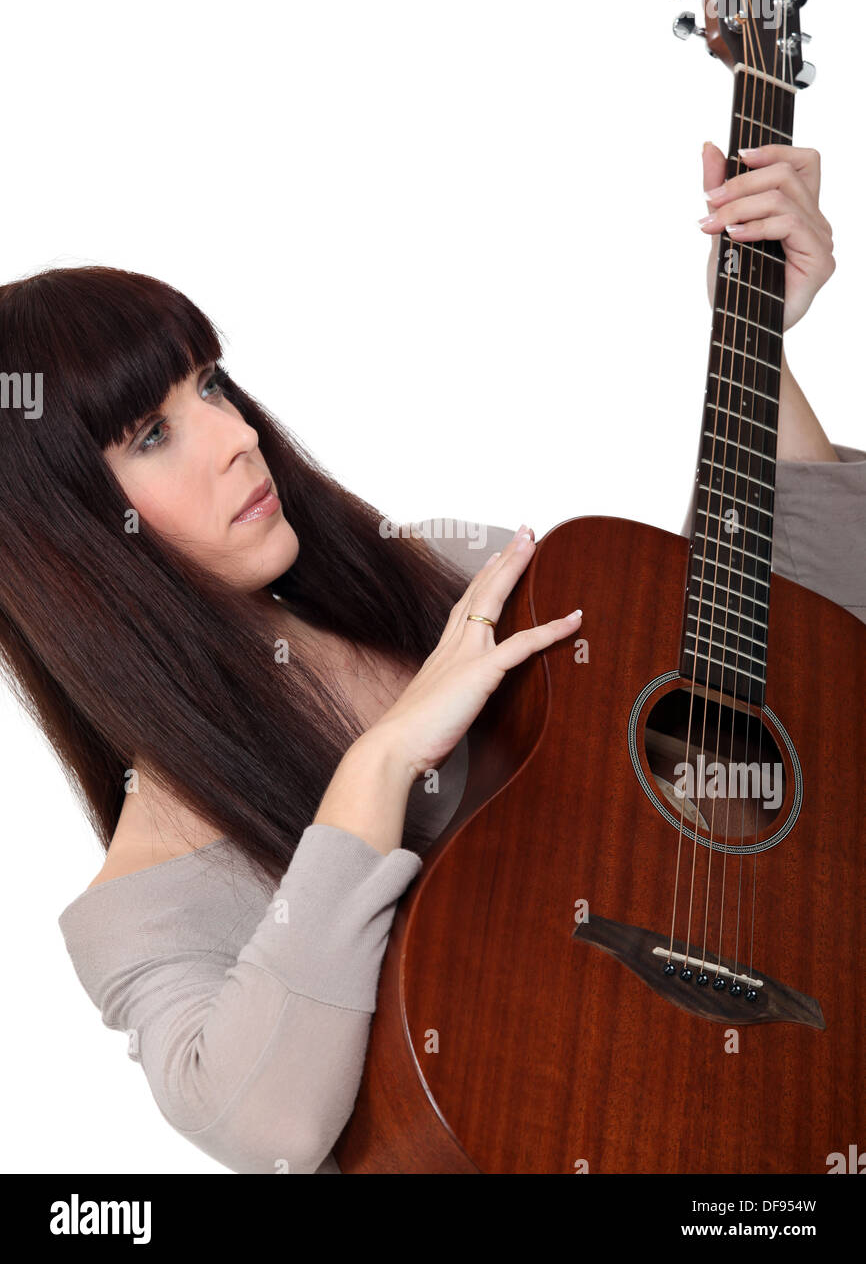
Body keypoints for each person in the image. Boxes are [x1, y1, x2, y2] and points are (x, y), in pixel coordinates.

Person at [1, 143, 861, 1174]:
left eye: (212, 384)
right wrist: (379, 763)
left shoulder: (447, 585)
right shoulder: (143, 904)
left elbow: (792, 664)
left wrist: (753, 336)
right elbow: (272, 1128)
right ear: (67, 540)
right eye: (151, 433)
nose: (234, 435)